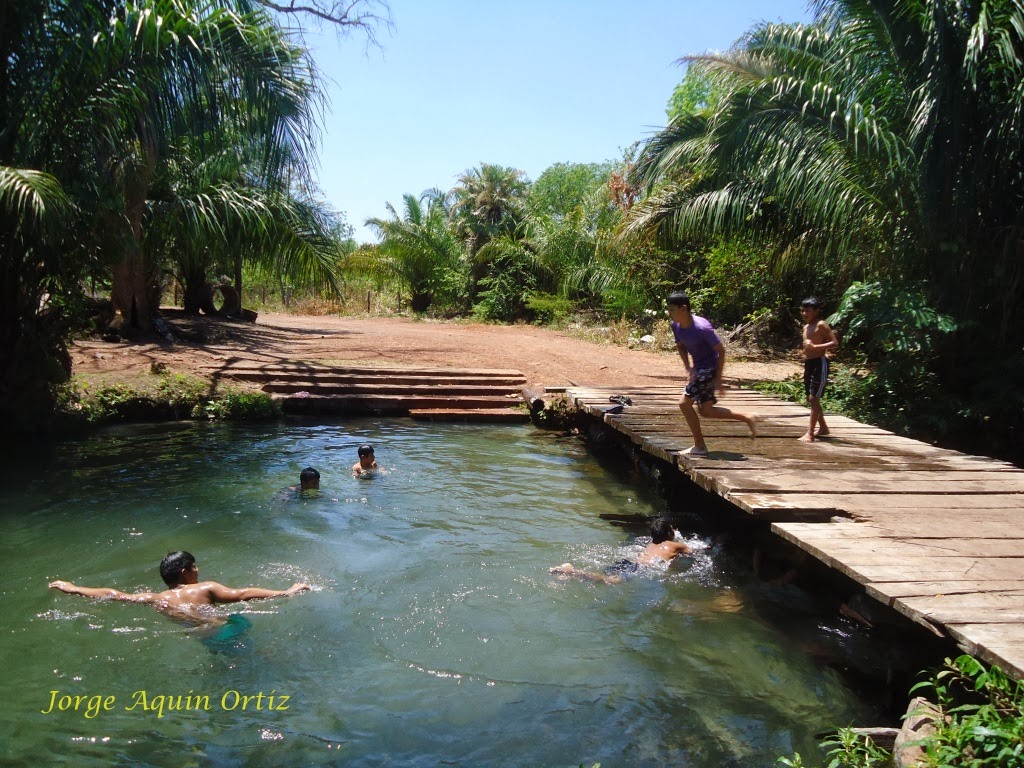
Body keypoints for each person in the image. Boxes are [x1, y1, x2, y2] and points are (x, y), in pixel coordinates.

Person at [48, 551, 310, 623]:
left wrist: (74, 588)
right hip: (224, 629)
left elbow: (114, 595)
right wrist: (286, 592)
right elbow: (241, 595)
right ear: (185, 573)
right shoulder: (204, 588)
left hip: (199, 636)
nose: (198, 571)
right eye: (194, 567)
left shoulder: (155, 597)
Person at [666, 291, 758, 456]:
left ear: (684, 308)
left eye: (672, 309)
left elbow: (721, 351)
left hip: (710, 367)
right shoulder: (676, 326)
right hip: (699, 367)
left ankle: (699, 446)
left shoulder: (702, 328)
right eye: (668, 309)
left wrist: (719, 379)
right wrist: (688, 367)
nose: (669, 313)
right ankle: (747, 417)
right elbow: (680, 346)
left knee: (683, 403)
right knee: (707, 411)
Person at [550, 519, 692, 584]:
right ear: (668, 533)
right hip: (640, 568)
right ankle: (571, 571)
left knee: (607, 577)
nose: (674, 531)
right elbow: (694, 549)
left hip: (629, 562)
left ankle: (569, 574)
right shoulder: (674, 545)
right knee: (609, 581)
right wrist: (712, 545)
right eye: (673, 529)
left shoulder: (651, 544)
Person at [799, 297, 839, 442]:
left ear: (816, 311)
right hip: (809, 363)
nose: (804, 313)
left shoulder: (821, 325)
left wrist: (816, 347)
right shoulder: (805, 327)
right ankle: (823, 428)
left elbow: (834, 343)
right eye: (802, 311)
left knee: (813, 398)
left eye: (807, 311)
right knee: (810, 399)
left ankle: (810, 433)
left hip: (819, 363)